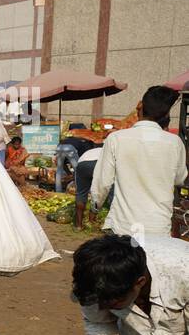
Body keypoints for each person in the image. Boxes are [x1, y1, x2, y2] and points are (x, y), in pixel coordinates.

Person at [89, 86, 187, 238]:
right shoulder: (175, 143)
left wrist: (95, 207)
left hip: (123, 225)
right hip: (158, 227)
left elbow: (103, 181)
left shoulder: (116, 139)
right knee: (150, 262)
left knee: (125, 262)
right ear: (166, 114)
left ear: (140, 107)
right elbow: (180, 178)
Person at [73, 142, 105, 227]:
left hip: (83, 164)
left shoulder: (89, 151)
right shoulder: (107, 151)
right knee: (99, 191)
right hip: (100, 163)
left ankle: (78, 225)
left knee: (81, 193)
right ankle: (92, 220)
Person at [55, 123, 90, 194]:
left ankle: (58, 192)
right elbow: (82, 160)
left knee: (59, 171)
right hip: (70, 148)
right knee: (78, 171)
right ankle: (79, 191)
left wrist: (68, 172)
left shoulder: (66, 139)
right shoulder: (82, 141)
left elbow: (63, 164)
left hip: (59, 147)